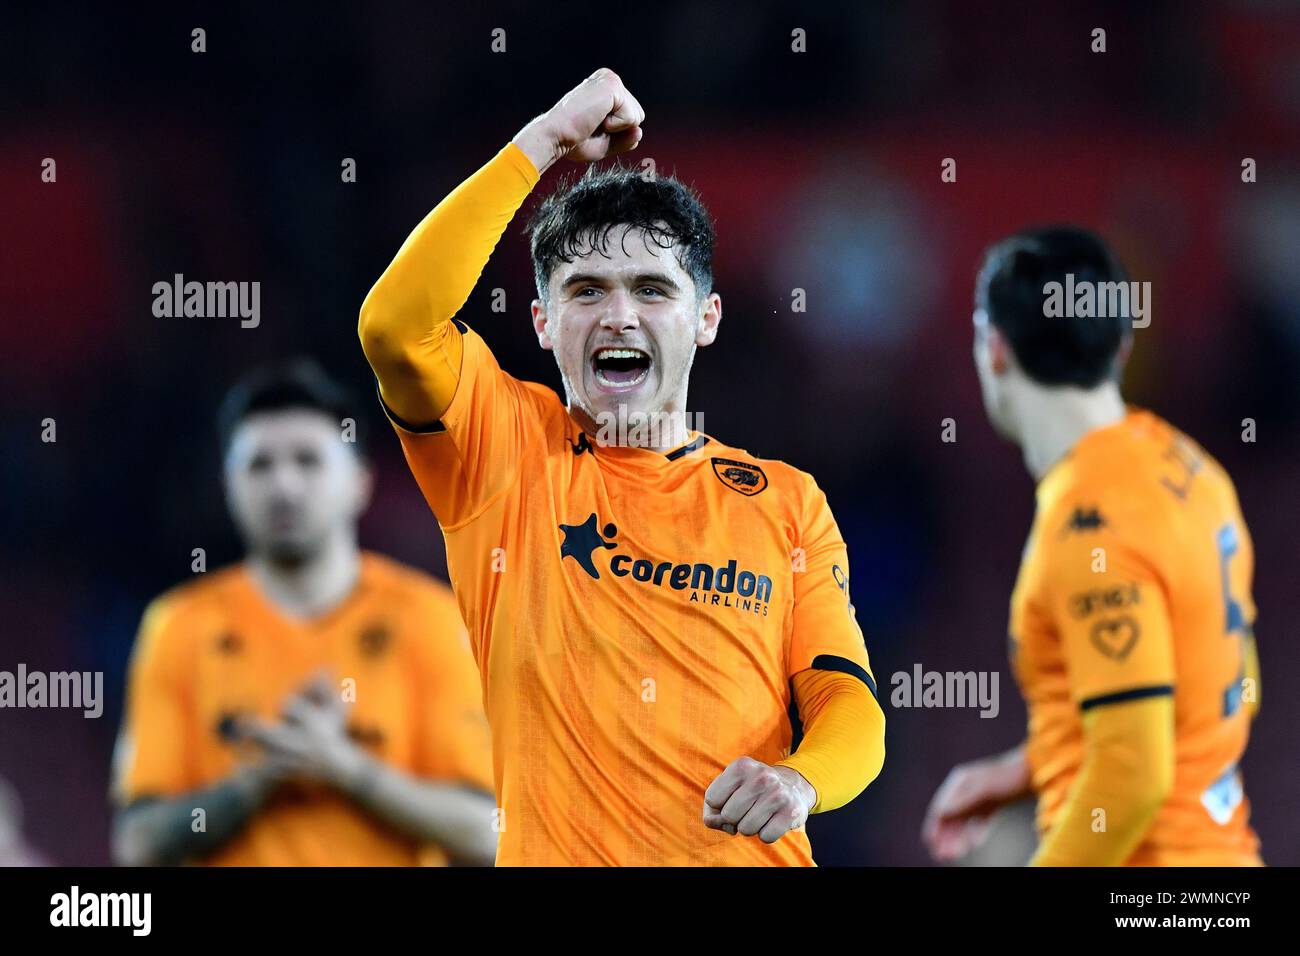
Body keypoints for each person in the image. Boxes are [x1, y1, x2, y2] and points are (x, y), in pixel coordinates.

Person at [358, 67, 886, 865]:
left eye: (651, 288)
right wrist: (543, 142)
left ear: (705, 319)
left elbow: (848, 702)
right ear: (540, 321)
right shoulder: (501, 448)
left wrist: (802, 783)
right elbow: (394, 327)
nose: (619, 315)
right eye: (586, 290)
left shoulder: (786, 502)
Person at [923, 227, 1262, 866]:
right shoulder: (1196, 472)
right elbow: (1233, 680)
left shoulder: (1089, 522)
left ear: (994, 348)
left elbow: (1132, 775)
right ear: (1123, 345)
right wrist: (1024, 769)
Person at [112, 361, 496, 866]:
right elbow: (138, 845)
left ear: (361, 481)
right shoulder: (177, 627)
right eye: (259, 465)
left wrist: (347, 769)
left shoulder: (434, 621)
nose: (284, 486)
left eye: (308, 461)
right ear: (228, 486)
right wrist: (259, 780)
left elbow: (487, 836)